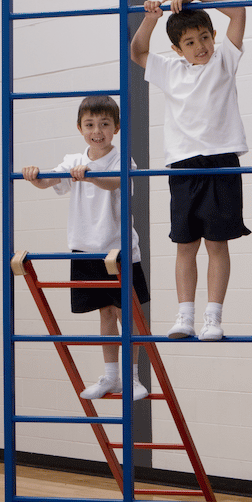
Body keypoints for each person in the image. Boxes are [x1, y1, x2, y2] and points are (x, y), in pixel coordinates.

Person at [130, 0, 249, 342]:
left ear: (213, 37)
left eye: (204, 38)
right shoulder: (170, 70)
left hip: (221, 160)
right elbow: (136, 50)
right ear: (177, 49)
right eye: (190, 42)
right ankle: (185, 315)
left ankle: (213, 317)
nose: (200, 47)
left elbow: (239, 13)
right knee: (185, 245)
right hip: (183, 165)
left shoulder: (224, 60)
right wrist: (151, 19)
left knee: (217, 243)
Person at [22, 95, 150, 402]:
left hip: (116, 251)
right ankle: (111, 377)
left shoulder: (122, 159)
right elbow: (50, 183)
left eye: (104, 124)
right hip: (85, 251)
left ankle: (134, 378)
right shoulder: (72, 161)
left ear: (116, 128)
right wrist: (33, 176)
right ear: (80, 128)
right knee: (104, 313)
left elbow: (112, 183)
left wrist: (89, 176)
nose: (97, 130)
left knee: (125, 313)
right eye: (90, 124)